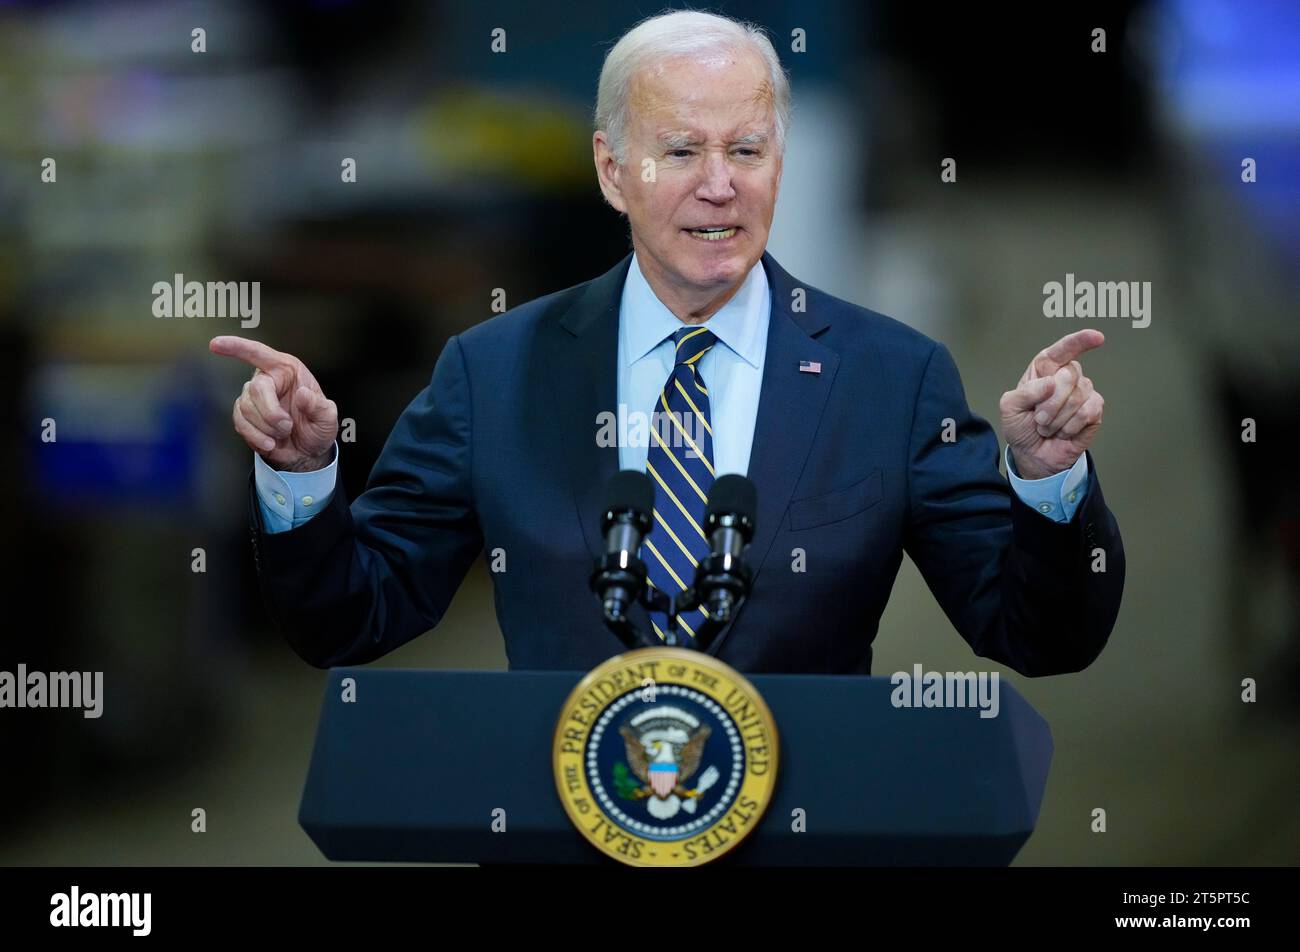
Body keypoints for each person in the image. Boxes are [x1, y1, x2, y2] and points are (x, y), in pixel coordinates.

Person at [210, 10, 1123, 675]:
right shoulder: (490, 375)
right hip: (560, 840)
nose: (719, 187)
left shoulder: (892, 377)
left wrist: (1047, 480)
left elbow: (1040, 636)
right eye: (682, 151)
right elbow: (350, 619)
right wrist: (304, 476)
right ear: (613, 171)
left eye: (749, 151)